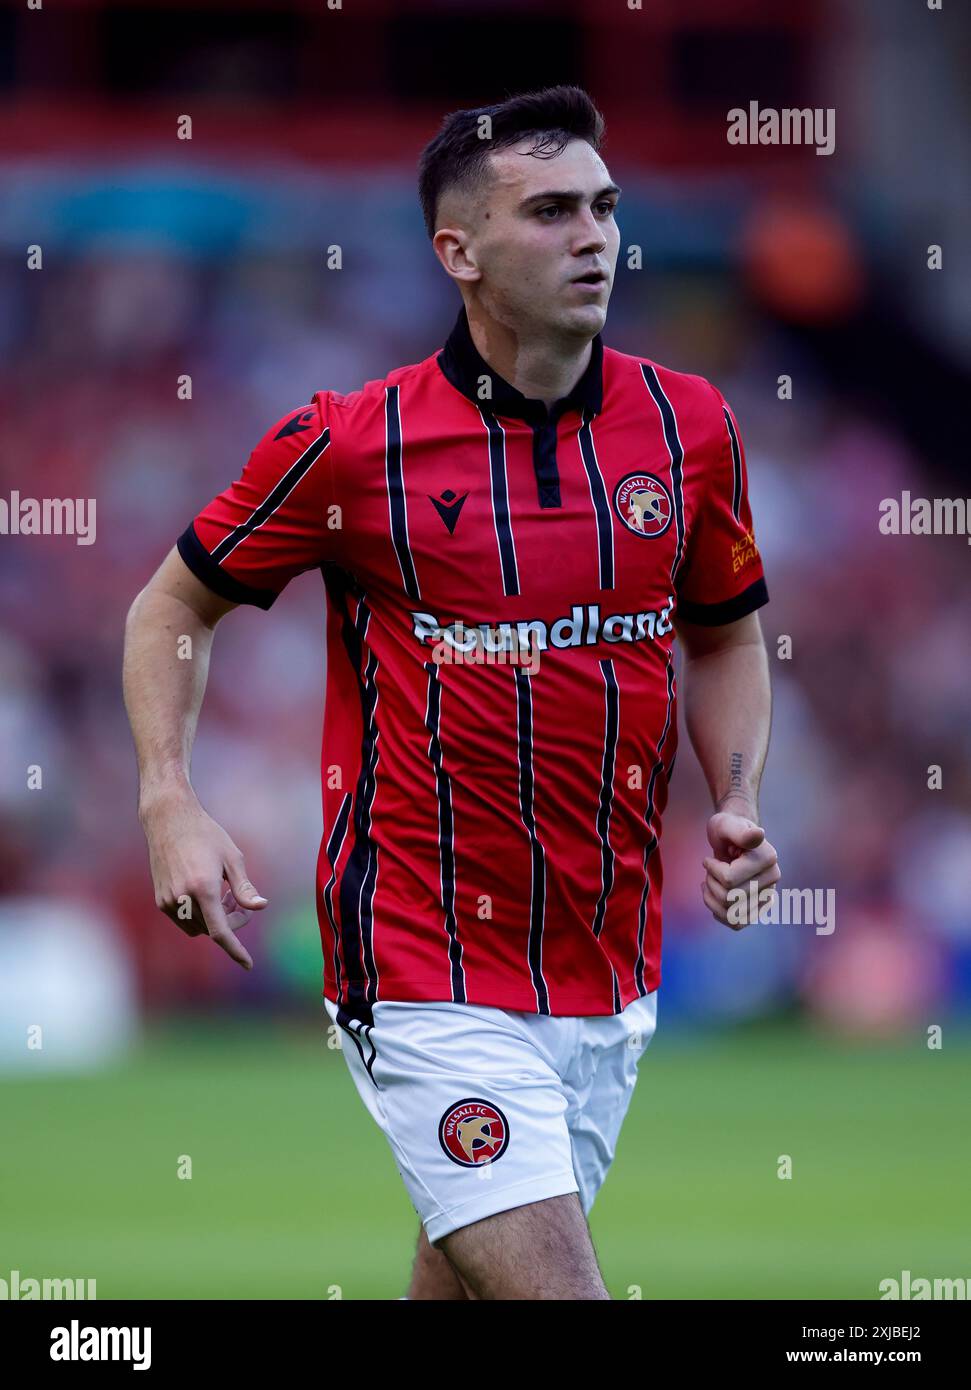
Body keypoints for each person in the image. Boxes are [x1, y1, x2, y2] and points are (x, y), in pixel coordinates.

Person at [123, 85, 779, 1301]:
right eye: (549, 212)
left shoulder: (690, 427)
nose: (593, 236)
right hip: (420, 957)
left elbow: (727, 640)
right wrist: (170, 796)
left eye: (603, 206)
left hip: (607, 963)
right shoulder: (350, 444)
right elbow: (170, 607)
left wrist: (737, 795)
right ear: (457, 251)